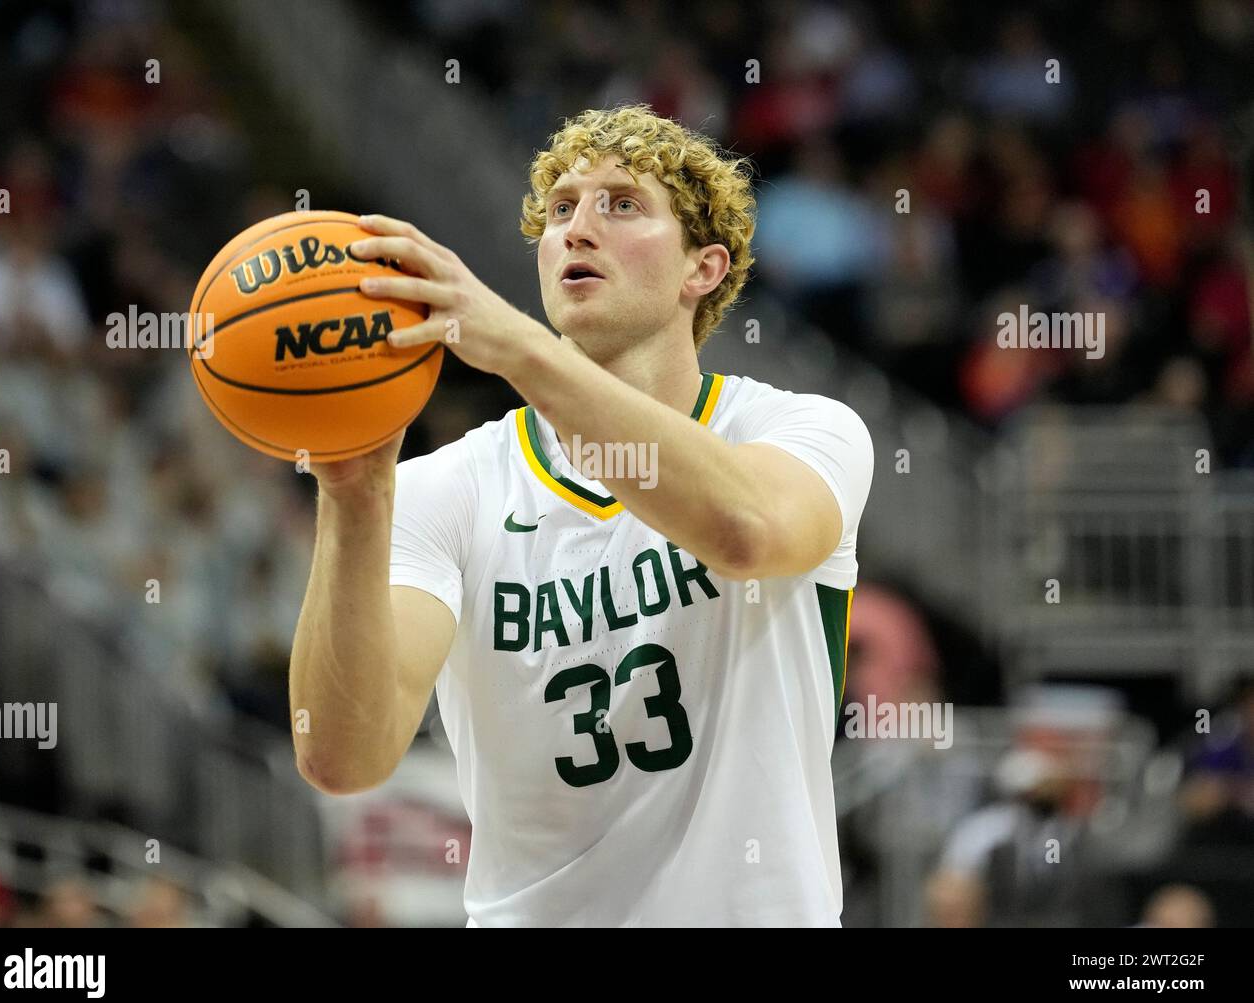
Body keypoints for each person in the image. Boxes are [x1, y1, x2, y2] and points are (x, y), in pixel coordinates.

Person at [289, 104, 874, 927]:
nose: (577, 229)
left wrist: (516, 350)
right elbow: (342, 755)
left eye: (622, 204)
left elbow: (747, 532)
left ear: (702, 269)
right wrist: (352, 500)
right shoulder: (444, 489)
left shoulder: (799, 432)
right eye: (561, 209)